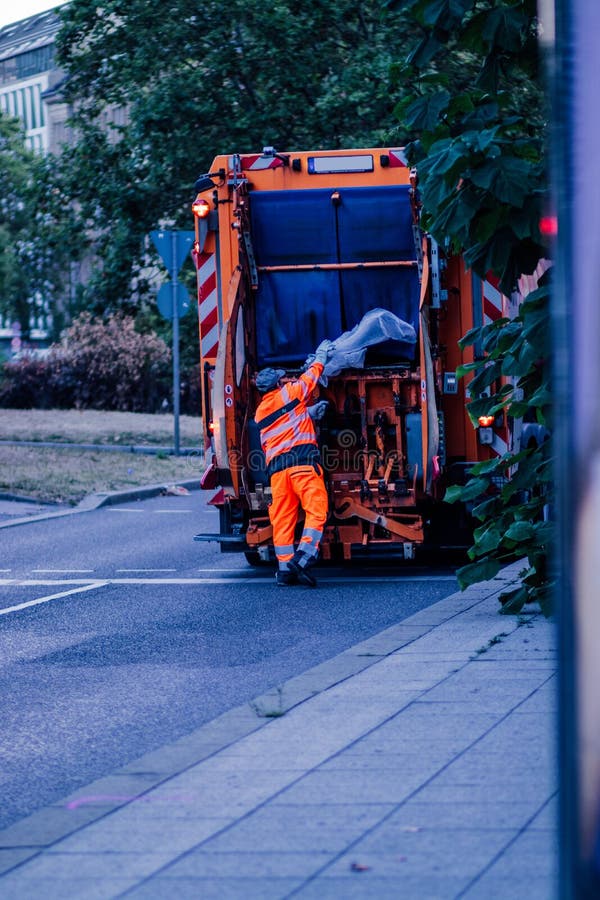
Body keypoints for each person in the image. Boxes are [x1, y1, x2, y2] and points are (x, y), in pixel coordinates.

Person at [254, 340, 334, 586]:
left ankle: (285, 571)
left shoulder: (261, 412)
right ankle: (305, 555)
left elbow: (284, 424)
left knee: (282, 520)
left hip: (277, 474)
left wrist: (308, 414)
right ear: (277, 385)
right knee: (317, 508)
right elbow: (311, 377)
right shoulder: (289, 393)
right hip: (301, 465)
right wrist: (320, 356)